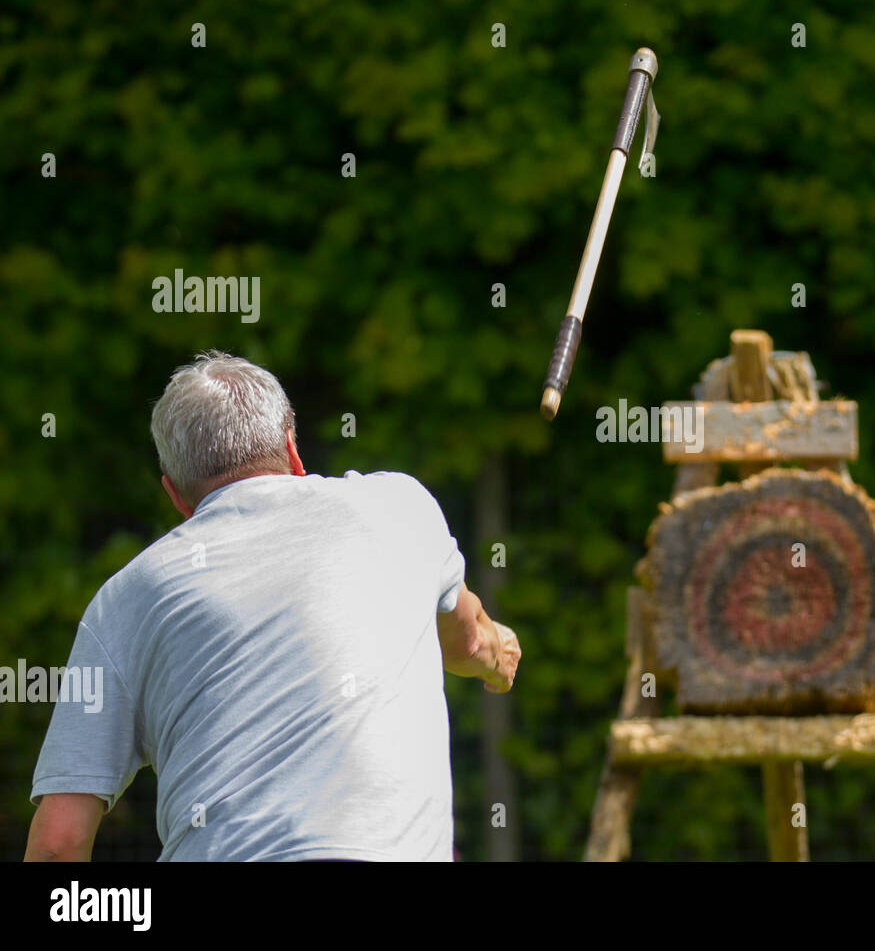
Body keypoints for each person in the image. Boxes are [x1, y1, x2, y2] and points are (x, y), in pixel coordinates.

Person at [24, 351, 519, 861]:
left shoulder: (125, 599)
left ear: (176, 496)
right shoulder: (401, 508)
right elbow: (469, 638)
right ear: (292, 450)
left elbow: (59, 843)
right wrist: (499, 656)